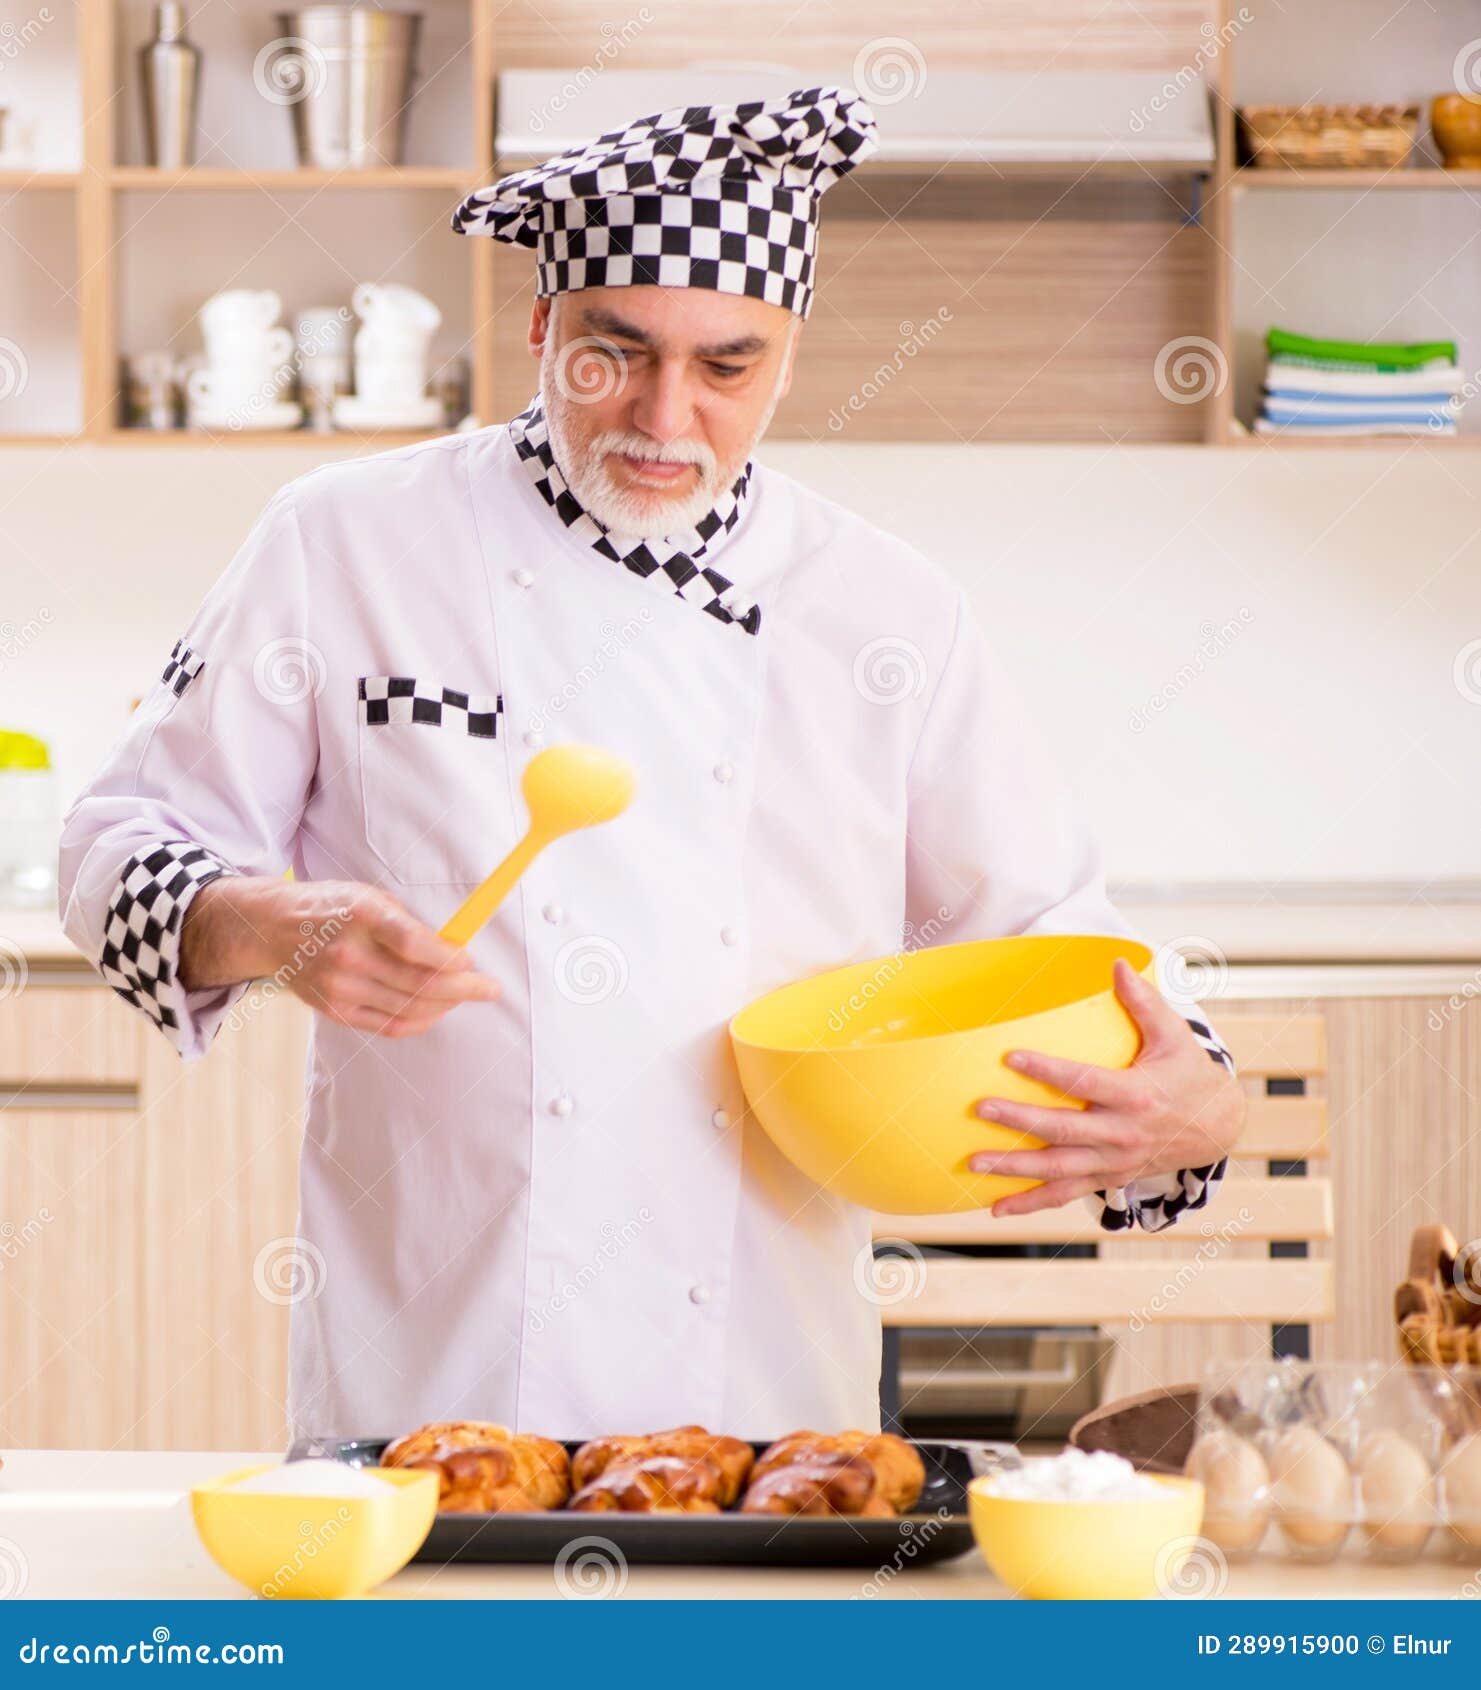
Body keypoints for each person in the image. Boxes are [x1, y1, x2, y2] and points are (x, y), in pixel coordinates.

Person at [57, 86, 1244, 1442]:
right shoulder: (344, 542)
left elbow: (1043, 929)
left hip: (756, 1382)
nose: (663, 416)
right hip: (432, 1366)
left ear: (788, 358)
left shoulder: (884, 611)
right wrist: (264, 924)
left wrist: (1187, 1088)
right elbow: (118, 842)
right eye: (613, 353)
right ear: (539, 327)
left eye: (725, 366)